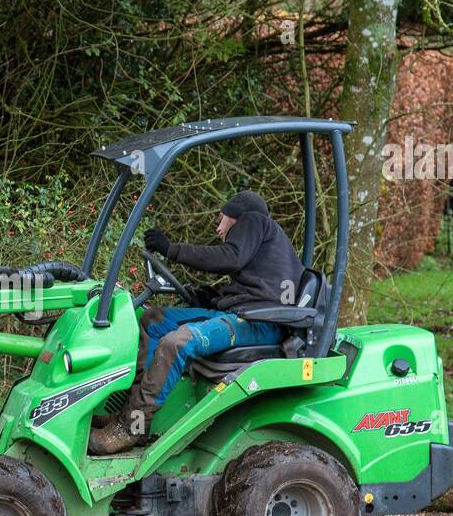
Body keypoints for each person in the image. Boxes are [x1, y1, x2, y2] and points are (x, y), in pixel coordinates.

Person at [88, 190, 304, 455]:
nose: (218, 227)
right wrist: (213, 299)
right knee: (153, 320)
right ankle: (134, 416)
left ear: (236, 215)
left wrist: (172, 250)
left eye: (221, 218)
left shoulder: (255, 220)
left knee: (176, 343)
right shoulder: (264, 249)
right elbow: (252, 286)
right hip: (243, 314)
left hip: (258, 324)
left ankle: (129, 429)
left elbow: (229, 257)